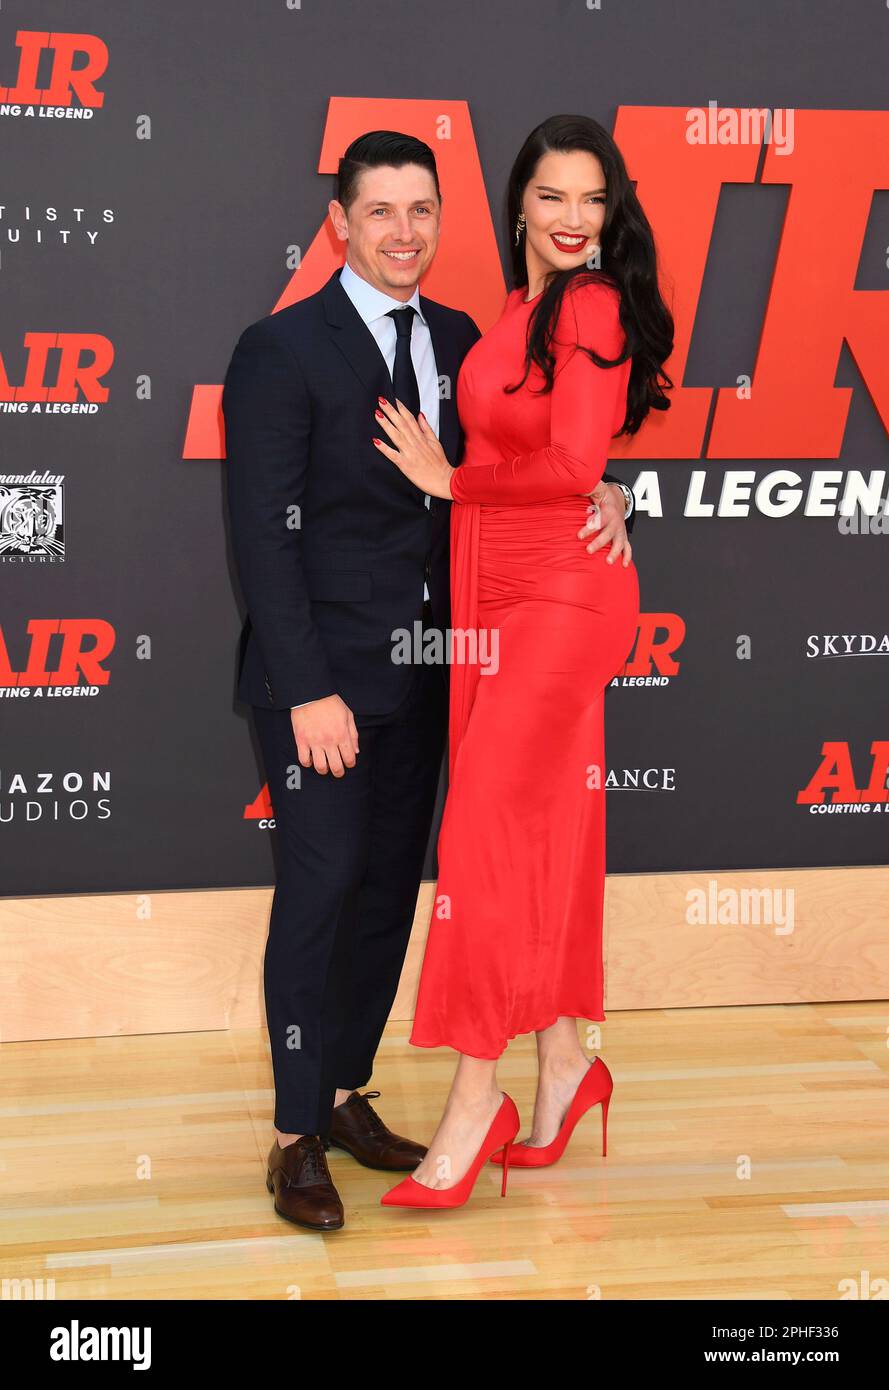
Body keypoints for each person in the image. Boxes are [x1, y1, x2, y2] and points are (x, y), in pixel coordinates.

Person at [222, 129, 636, 1231]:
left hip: (439, 670)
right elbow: (261, 536)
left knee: (388, 898)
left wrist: (606, 494)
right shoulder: (280, 348)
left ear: (445, 219)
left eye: (421, 212)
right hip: (319, 686)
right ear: (339, 225)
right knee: (318, 895)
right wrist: (308, 688)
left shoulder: (466, 335)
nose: (403, 234)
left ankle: (349, 1090)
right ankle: (294, 1133)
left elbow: (524, 455)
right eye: (379, 213)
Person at [373, 115, 673, 1210]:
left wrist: (457, 483)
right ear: (518, 205)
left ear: (610, 214)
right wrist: (550, 488)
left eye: (591, 200)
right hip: (492, 592)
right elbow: (560, 451)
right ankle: (564, 1067)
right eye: (552, 196)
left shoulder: (590, 305)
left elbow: (577, 458)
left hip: (559, 595)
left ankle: (473, 1098)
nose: (572, 218)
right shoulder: (519, 311)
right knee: (545, 830)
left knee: (485, 834)